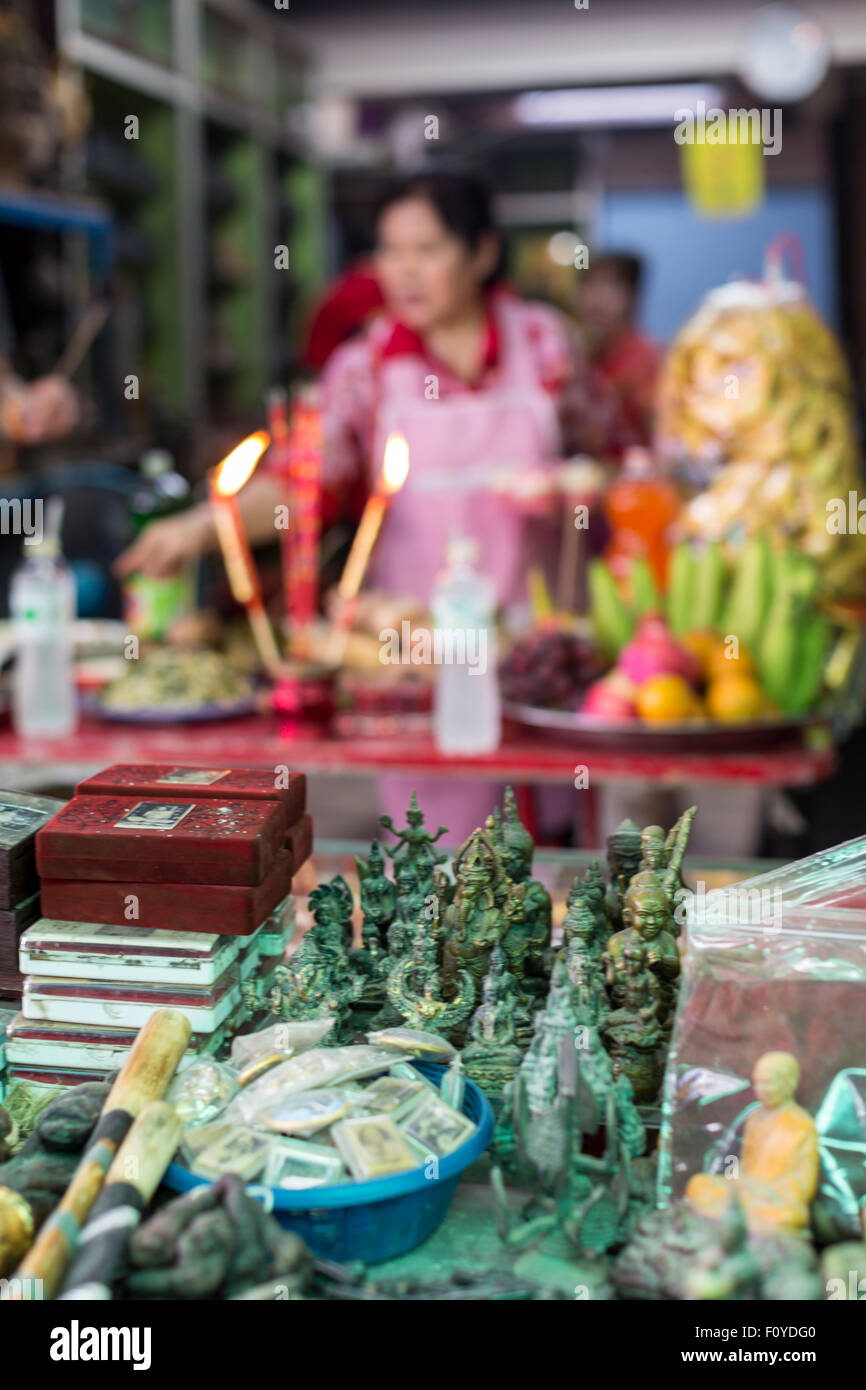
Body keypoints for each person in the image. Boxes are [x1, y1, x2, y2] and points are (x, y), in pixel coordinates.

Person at [117, 171, 626, 838]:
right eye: (390, 250)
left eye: (428, 250)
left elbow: (613, 457)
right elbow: (302, 485)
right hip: (414, 660)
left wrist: (587, 493)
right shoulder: (365, 366)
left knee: (552, 851)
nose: (404, 272)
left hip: (544, 660)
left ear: (482, 252)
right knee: (432, 854)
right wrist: (199, 529)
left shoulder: (545, 343)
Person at [577, 252, 661, 447]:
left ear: (633, 296)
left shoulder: (648, 361)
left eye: (610, 287)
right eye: (588, 285)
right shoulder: (578, 357)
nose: (595, 300)